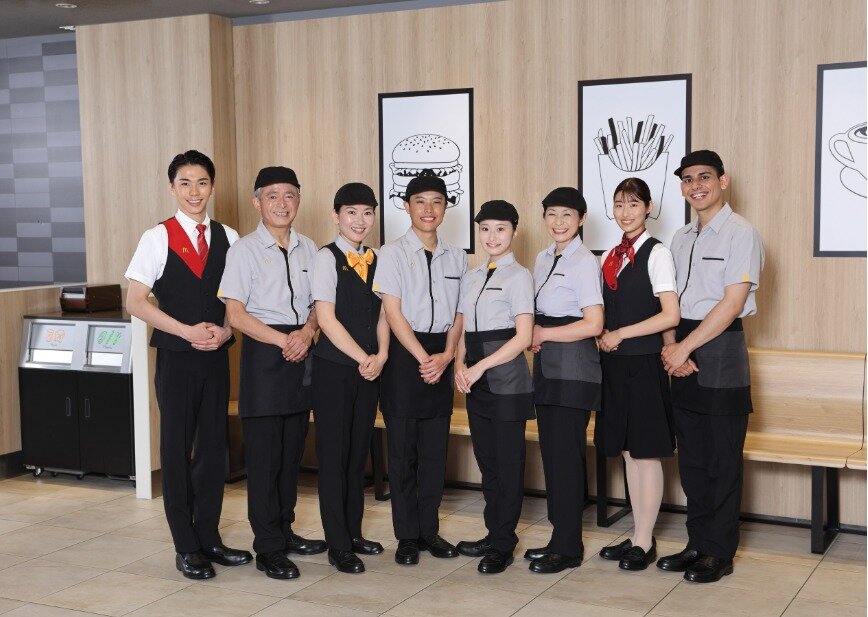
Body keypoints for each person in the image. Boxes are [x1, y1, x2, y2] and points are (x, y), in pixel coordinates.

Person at [125, 150, 251, 580]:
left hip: (216, 357)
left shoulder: (229, 236)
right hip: (177, 359)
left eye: (202, 183)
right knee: (177, 450)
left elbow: (237, 300)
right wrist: (184, 331)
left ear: (212, 186)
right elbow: (135, 302)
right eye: (185, 183)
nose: (194, 192)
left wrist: (225, 331)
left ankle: (209, 537)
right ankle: (185, 545)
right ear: (172, 188)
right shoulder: (156, 237)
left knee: (214, 449)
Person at [658, 150, 764, 583]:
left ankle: (719, 551)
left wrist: (683, 348)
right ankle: (697, 543)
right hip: (680, 345)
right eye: (687, 179)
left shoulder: (741, 233)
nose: (695, 186)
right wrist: (671, 346)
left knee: (722, 459)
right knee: (693, 459)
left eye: (703, 177)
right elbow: (668, 301)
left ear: (723, 180)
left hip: (720, 349)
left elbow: (732, 303)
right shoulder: (680, 237)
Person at [218, 166, 326, 580]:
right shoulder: (243, 251)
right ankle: (267, 547)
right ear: (257, 202)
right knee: (264, 460)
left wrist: (308, 332)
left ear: (299, 200)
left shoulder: (310, 248)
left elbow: (319, 304)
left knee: (291, 454)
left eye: (290, 195)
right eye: (272, 195)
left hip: (302, 352)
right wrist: (286, 341)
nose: (282, 203)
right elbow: (236, 314)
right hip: (265, 355)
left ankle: (285, 531)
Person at [372, 174, 467, 566]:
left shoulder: (457, 256)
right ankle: (407, 536)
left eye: (437, 202)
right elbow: (392, 312)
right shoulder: (391, 253)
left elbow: (460, 312)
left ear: (445, 208)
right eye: (420, 201)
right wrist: (422, 357)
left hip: (440, 354)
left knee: (433, 453)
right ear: (406, 205)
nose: (429, 209)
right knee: (402, 455)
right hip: (404, 356)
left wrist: (446, 355)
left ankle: (429, 530)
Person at [595, 177, 679, 571]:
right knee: (629, 453)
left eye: (633, 204)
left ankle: (645, 540)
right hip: (614, 366)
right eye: (619, 204)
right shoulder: (610, 256)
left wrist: (621, 334)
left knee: (646, 453)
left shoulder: (657, 253)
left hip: (643, 364)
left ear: (648, 208)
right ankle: (636, 534)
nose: (625, 212)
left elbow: (670, 315)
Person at [310, 183, 390, 574]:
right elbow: (325, 319)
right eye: (351, 212)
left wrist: (382, 355)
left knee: (358, 454)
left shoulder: (378, 258)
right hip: (334, 370)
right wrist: (364, 358)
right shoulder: (325, 258)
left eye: (367, 213)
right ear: (336, 216)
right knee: (334, 457)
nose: (360, 220)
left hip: (369, 369)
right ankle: (338, 543)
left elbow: (384, 314)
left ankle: (354, 532)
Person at [524, 187, 603, 574]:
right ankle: (559, 537)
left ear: (582, 220)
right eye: (552, 214)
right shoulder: (543, 258)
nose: (559, 222)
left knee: (567, 458)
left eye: (568, 215)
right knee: (553, 457)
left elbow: (594, 324)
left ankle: (569, 546)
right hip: (548, 368)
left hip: (574, 370)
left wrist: (544, 333)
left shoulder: (585, 262)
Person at [453, 200, 535, 574]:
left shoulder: (520, 276)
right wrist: (459, 364)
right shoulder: (471, 276)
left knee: (508, 464)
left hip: (506, 381)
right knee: (487, 464)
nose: (492, 236)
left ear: (513, 231)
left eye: (500, 229)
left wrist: (478, 368)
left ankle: (503, 543)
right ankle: (493, 533)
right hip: (476, 378)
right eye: (485, 229)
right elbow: (463, 329)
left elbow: (523, 337)